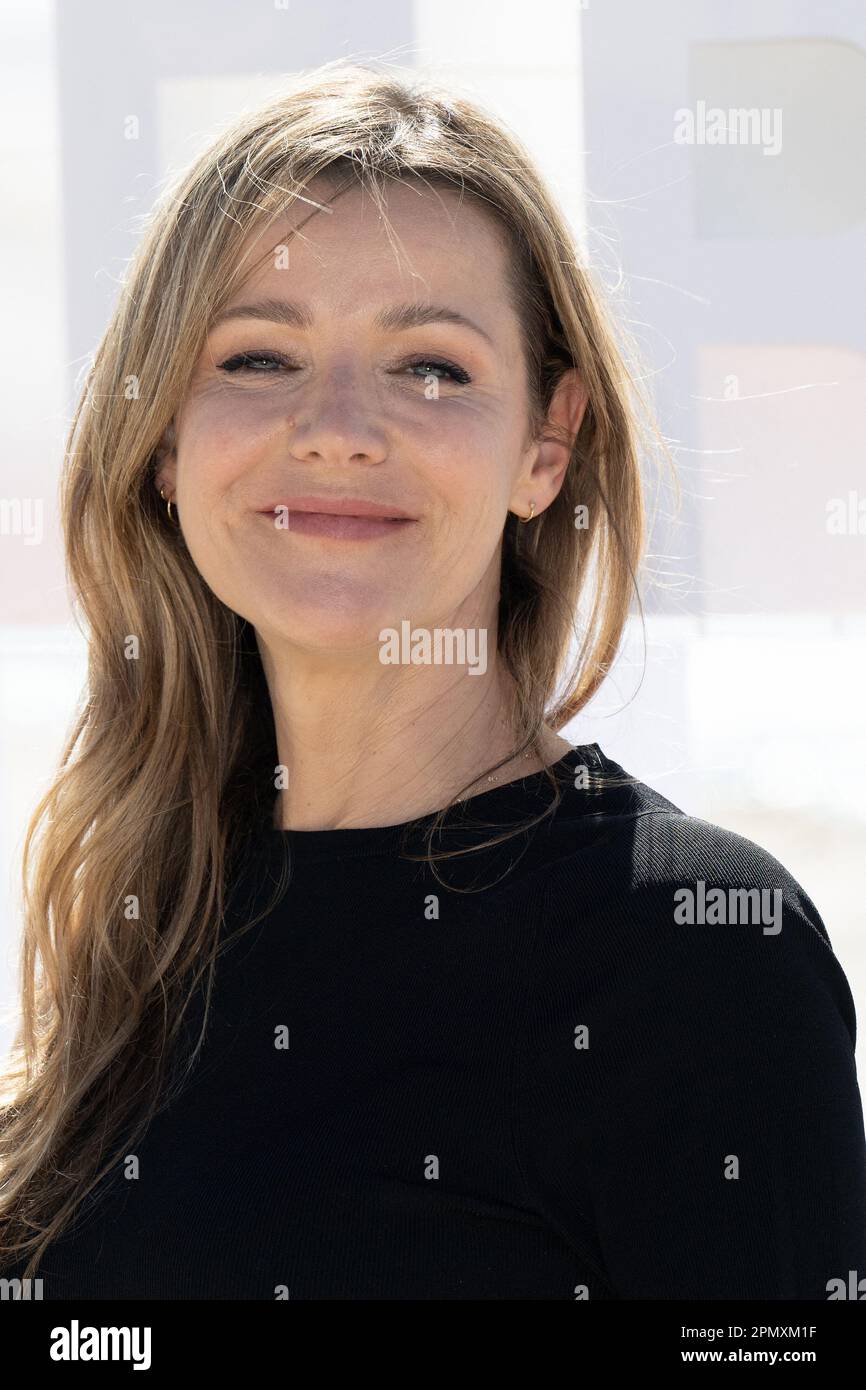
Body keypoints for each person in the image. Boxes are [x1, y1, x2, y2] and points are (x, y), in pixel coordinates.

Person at [1, 60, 864, 1301]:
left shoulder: (693, 952)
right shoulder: (140, 910)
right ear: (163, 447)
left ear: (544, 445)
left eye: (431, 368)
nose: (339, 425)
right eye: (255, 358)